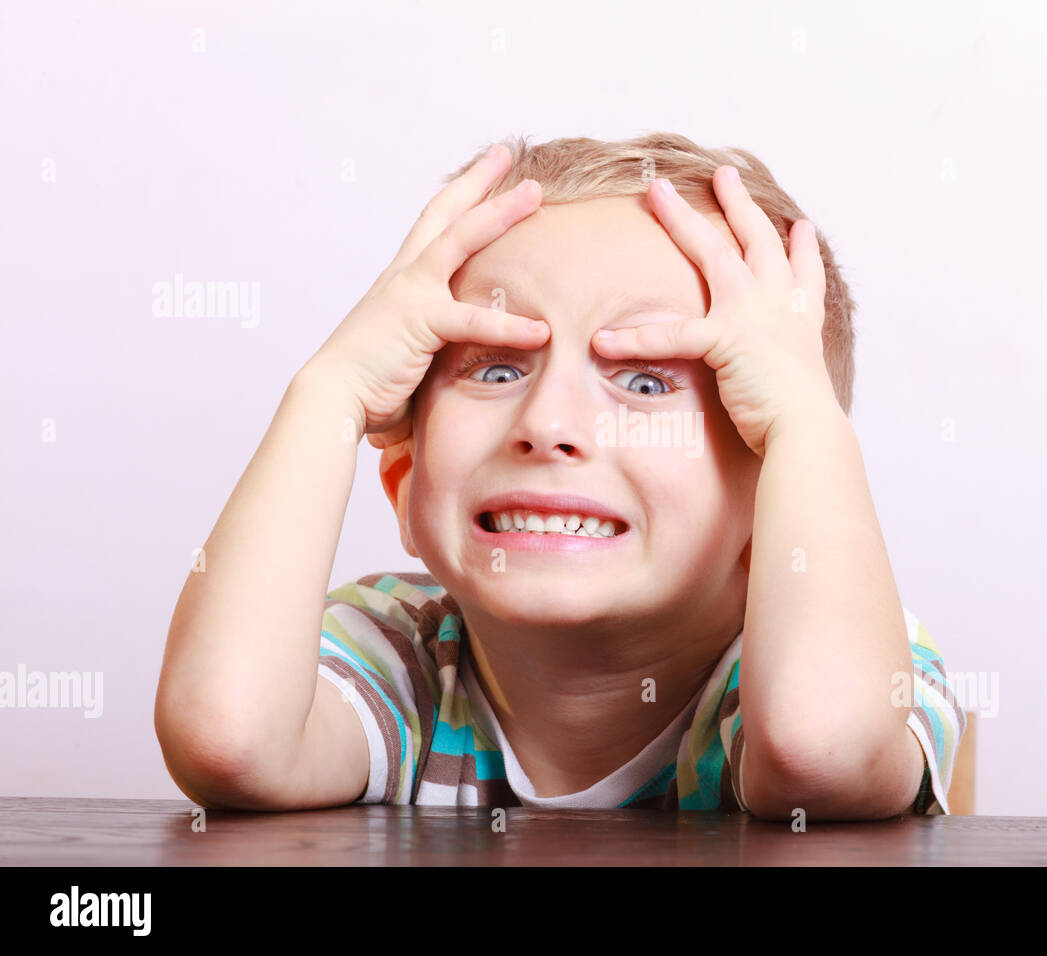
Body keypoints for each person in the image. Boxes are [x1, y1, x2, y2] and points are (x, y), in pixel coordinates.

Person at [155, 132, 966, 819]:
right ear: (402, 482)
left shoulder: (853, 659)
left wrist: (804, 422)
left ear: (775, 511)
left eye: (646, 381)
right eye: (498, 370)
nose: (546, 425)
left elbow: (819, 752)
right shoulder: (399, 655)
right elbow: (229, 739)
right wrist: (331, 389)